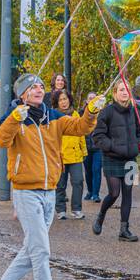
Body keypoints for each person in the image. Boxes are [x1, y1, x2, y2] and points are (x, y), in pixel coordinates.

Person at [0, 75, 104, 280]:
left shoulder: (53, 117)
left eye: (41, 86)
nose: (38, 89)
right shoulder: (15, 118)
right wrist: (13, 119)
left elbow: (80, 127)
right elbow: (1, 139)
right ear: (23, 94)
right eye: (32, 87)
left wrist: (90, 111)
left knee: (32, 248)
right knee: (40, 248)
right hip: (25, 191)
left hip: (49, 191)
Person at [90, 81, 140, 241]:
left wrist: (138, 146)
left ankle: (124, 230)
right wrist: (112, 146)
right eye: (121, 90)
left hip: (131, 160)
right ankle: (101, 216)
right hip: (112, 158)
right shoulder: (107, 112)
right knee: (114, 193)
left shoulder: (134, 112)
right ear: (115, 93)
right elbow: (98, 135)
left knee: (128, 193)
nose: (124, 92)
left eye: (127, 89)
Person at [50, 89, 88, 220]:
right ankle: (60, 210)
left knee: (78, 181)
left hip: (75, 155)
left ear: (69, 100)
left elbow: (81, 133)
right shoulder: (54, 116)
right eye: (60, 100)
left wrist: (84, 150)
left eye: (65, 99)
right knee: (60, 184)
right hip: (59, 155)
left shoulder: (76, 114)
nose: (63, 102)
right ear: (56, 102)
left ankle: (76, 209)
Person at [83, 92, 103, 201]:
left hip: (98, 147)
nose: (92, 100)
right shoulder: (82, 113)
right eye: (90, 98)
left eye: (94, 98)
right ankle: (90, 191)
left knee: (96, 170)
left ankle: (96, 194)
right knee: (88, 170)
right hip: (86, 147)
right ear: (86, 101)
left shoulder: (102, 113)